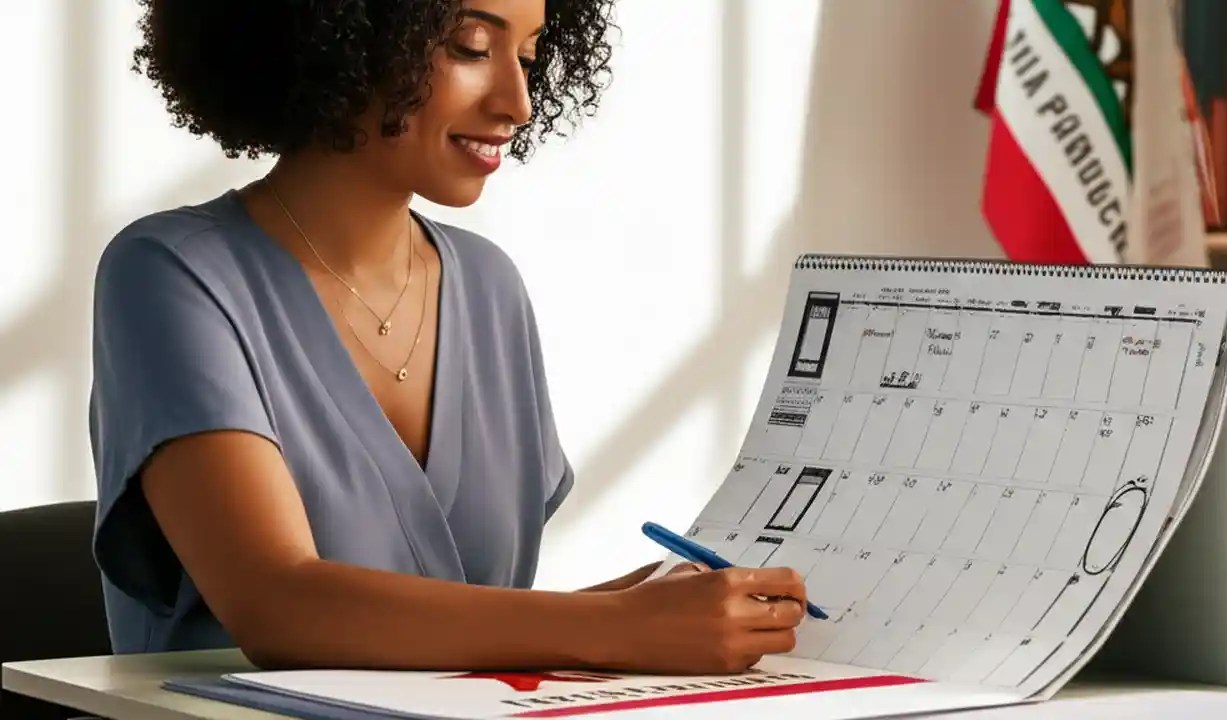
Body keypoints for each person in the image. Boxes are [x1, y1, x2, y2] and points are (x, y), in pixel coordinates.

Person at [89, 0, 808, 674]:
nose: (517, 103)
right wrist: (615, 624)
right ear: (347, 36)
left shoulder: (489, 288)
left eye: (529, 56)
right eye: (471, 46)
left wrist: (649, 607)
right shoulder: (171, 274)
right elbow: (278, 604)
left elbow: (454, 623)